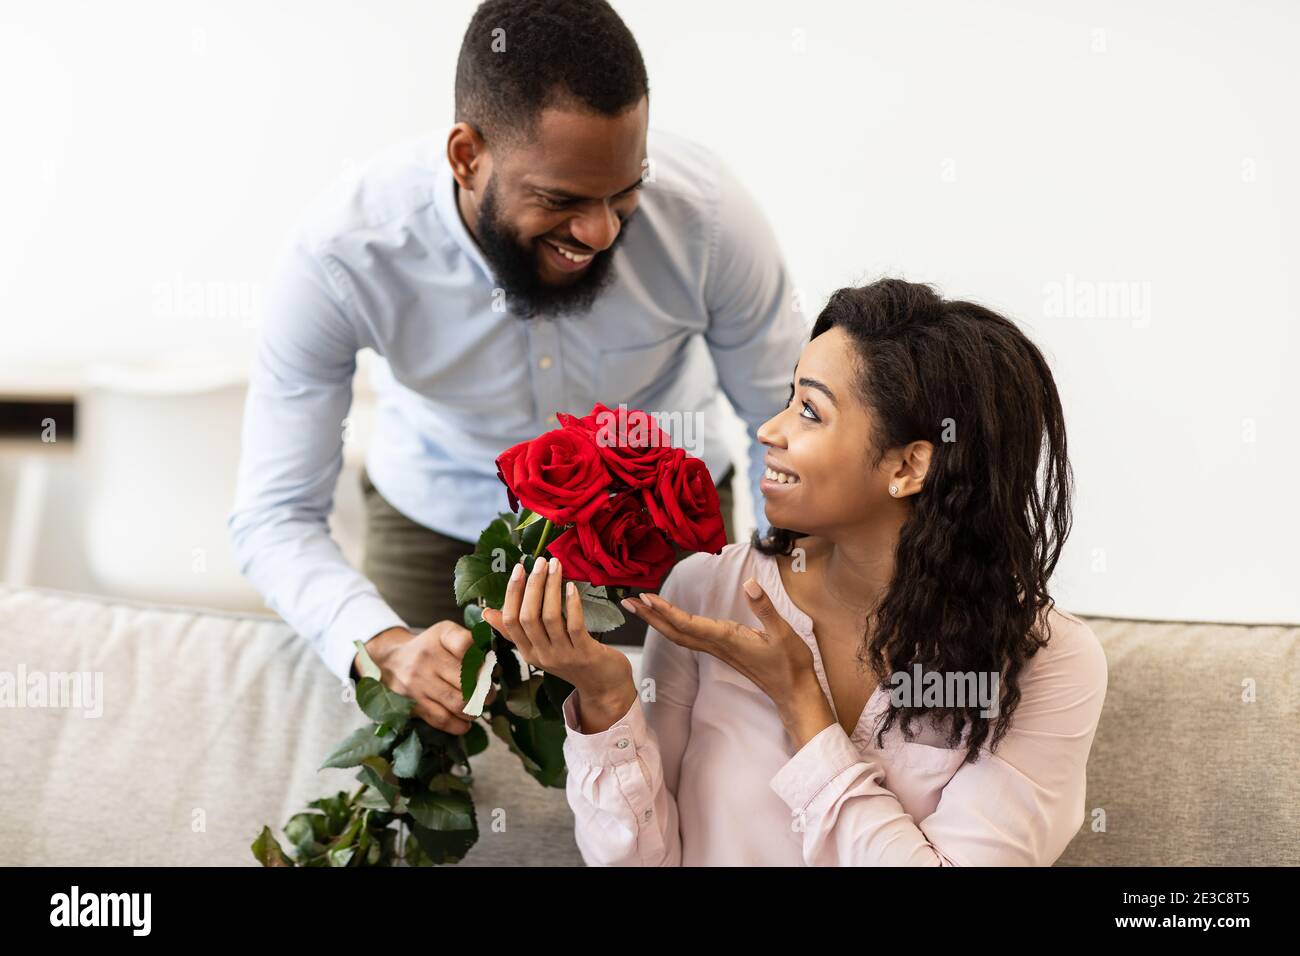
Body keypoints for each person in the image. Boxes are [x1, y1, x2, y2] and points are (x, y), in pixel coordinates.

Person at [227, 0, 805, 734]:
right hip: (437, 524)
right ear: (467, 157)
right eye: (560, 201)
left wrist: (781, 596)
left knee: (688, 756)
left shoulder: (712, 220)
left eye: (623, 196)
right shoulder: (342, 254)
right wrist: (381, 642)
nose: (598, 232)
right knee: (427, 761)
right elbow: (273, 514)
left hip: (657, 526)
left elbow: (785, 434)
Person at [483, 278, 1109, 865]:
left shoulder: (1045, 662)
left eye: (810, 411)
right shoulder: (708, 592)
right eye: (789, 397)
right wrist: (607, 699)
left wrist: (801, 704)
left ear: (909, 467)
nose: (768, 430)